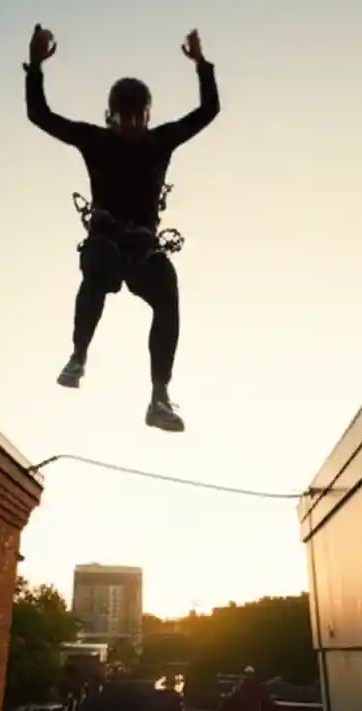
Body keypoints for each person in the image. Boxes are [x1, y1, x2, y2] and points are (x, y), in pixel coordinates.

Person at [23, 23, 220, 432]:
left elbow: (208, 113)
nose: (131, 127)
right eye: (123, 119)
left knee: (167, 288)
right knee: (99, 265)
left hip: (144, 250)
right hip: (108, 241)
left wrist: (202, 64)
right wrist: (36, 67)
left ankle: (159, 397)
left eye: (138, 119)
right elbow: (39, 115)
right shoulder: (95, 141)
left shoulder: (159, 141)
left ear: (147, 117)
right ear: (111, 116)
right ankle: (78, 356)